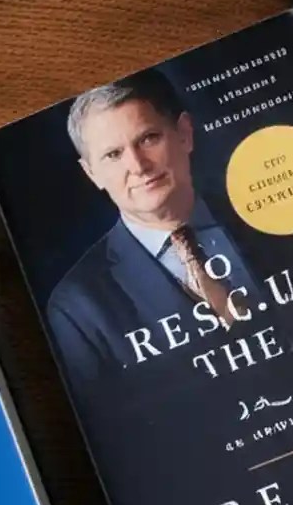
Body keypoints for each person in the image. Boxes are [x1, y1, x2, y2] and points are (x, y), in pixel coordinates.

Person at [45, 68, 270, 400]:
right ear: (92, 173)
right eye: (113, 154)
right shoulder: (76, 306)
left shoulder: (268, 214)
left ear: (184, 134)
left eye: (148, 138)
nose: (137, 165)